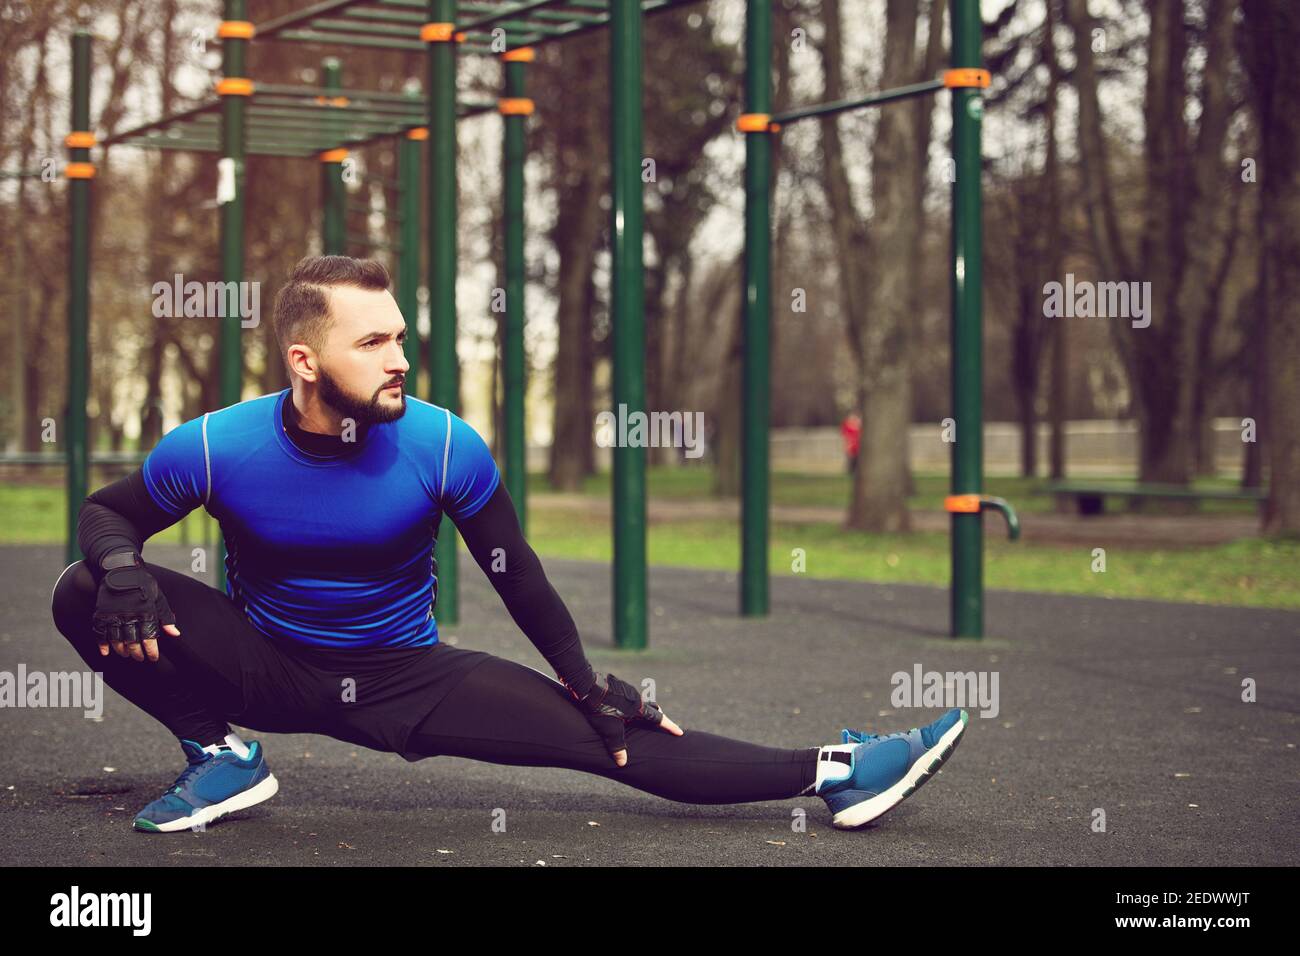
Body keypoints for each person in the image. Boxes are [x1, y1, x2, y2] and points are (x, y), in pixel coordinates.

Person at [50, 255, 966, 834]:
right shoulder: (218, 445)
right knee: (80, 590)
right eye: (372, 342)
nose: (398, 357)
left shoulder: (444, 444)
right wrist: (124, 566)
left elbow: (513, 571)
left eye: (400, 336)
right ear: (304, 360)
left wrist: (583, 681)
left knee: (613, 743)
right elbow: (108, 511)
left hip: (404, 673)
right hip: (261, 662)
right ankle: (222, 759)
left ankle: (843, 771)